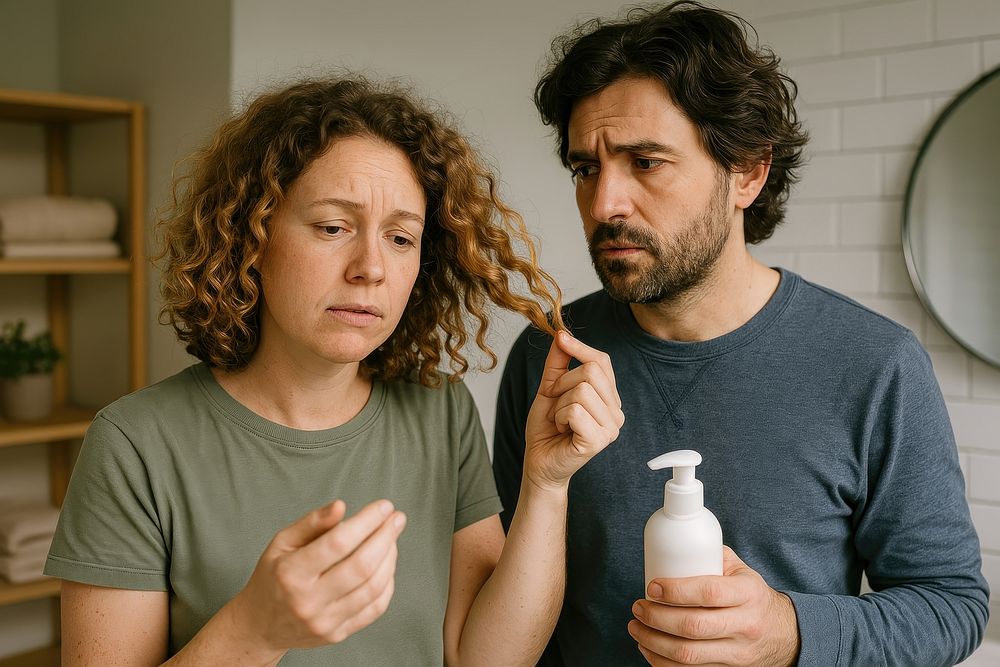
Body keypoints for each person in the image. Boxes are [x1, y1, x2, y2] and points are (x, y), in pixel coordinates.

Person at [44, 76, 625, 665]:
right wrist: (255, 629)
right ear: (254, 233)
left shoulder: (438, 410)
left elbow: (489, 659)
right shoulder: (135, 443)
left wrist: (546, 487)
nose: (370, 268)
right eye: (331, 227)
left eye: (401, 238)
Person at [493, 2, 990, 666]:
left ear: (748, 172)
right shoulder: (549, 356)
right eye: (587, 168)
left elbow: (952, 604)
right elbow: (501, 606)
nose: (605, 203)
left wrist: (788, 629)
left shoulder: (874, 364)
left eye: (645, 162)